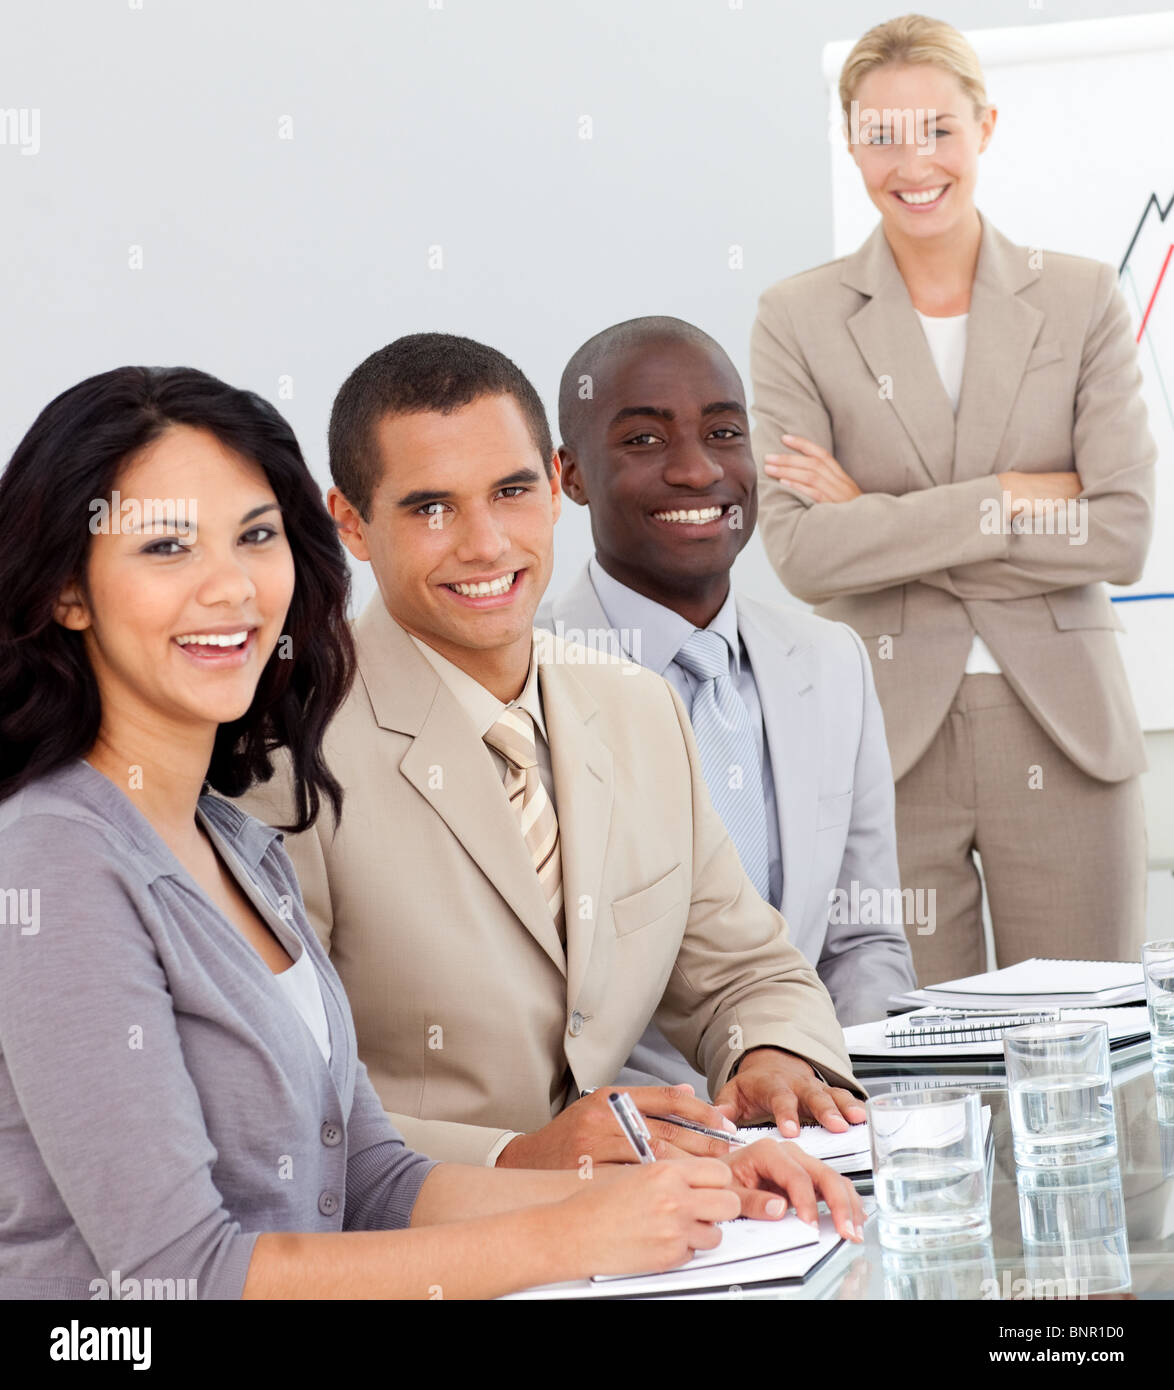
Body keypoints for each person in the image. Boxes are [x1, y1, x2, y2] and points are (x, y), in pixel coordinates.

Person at [0, 366, 865, 1301]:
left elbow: (371, 1179)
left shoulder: (229, 844)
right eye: (167, 547)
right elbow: (181, 1273)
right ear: (66, 590)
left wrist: (690, 1188)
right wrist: (575, 1230)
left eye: (255, 536)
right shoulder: (56, 855)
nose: (230, 587)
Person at [236, 332, 871, 1171]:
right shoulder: (282, 754)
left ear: (555, 485)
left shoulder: (636, 709)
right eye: (432, 508)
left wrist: (774, 1055)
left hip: (639, 1234)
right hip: (425, 1249)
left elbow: (744, 971)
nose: (488, 543)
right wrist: (518, 1157)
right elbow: (276, 1095)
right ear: (350, 522)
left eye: (512, 491)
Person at [749, 15, 1155, 984]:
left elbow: (1120, 532)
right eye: (881, 134)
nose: (912, 160)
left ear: (985, 127)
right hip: (887, 741)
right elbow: (805, 555)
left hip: (1063, 730)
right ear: (849, 144)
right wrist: (1012, 495)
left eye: (937, 128)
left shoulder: (1079, 298)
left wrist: (878, 515)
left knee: (1083, 1046)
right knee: (914, 1063)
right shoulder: (796, 317)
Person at [537, 315, 915, 1088]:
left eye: (723, 432)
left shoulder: (831, 660)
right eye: (644, 440)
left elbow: (862, 939)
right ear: (569, 476)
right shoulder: (525, 678)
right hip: (619, 1144)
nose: (697, 471)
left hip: (813, 1121)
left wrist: (839, 1096)